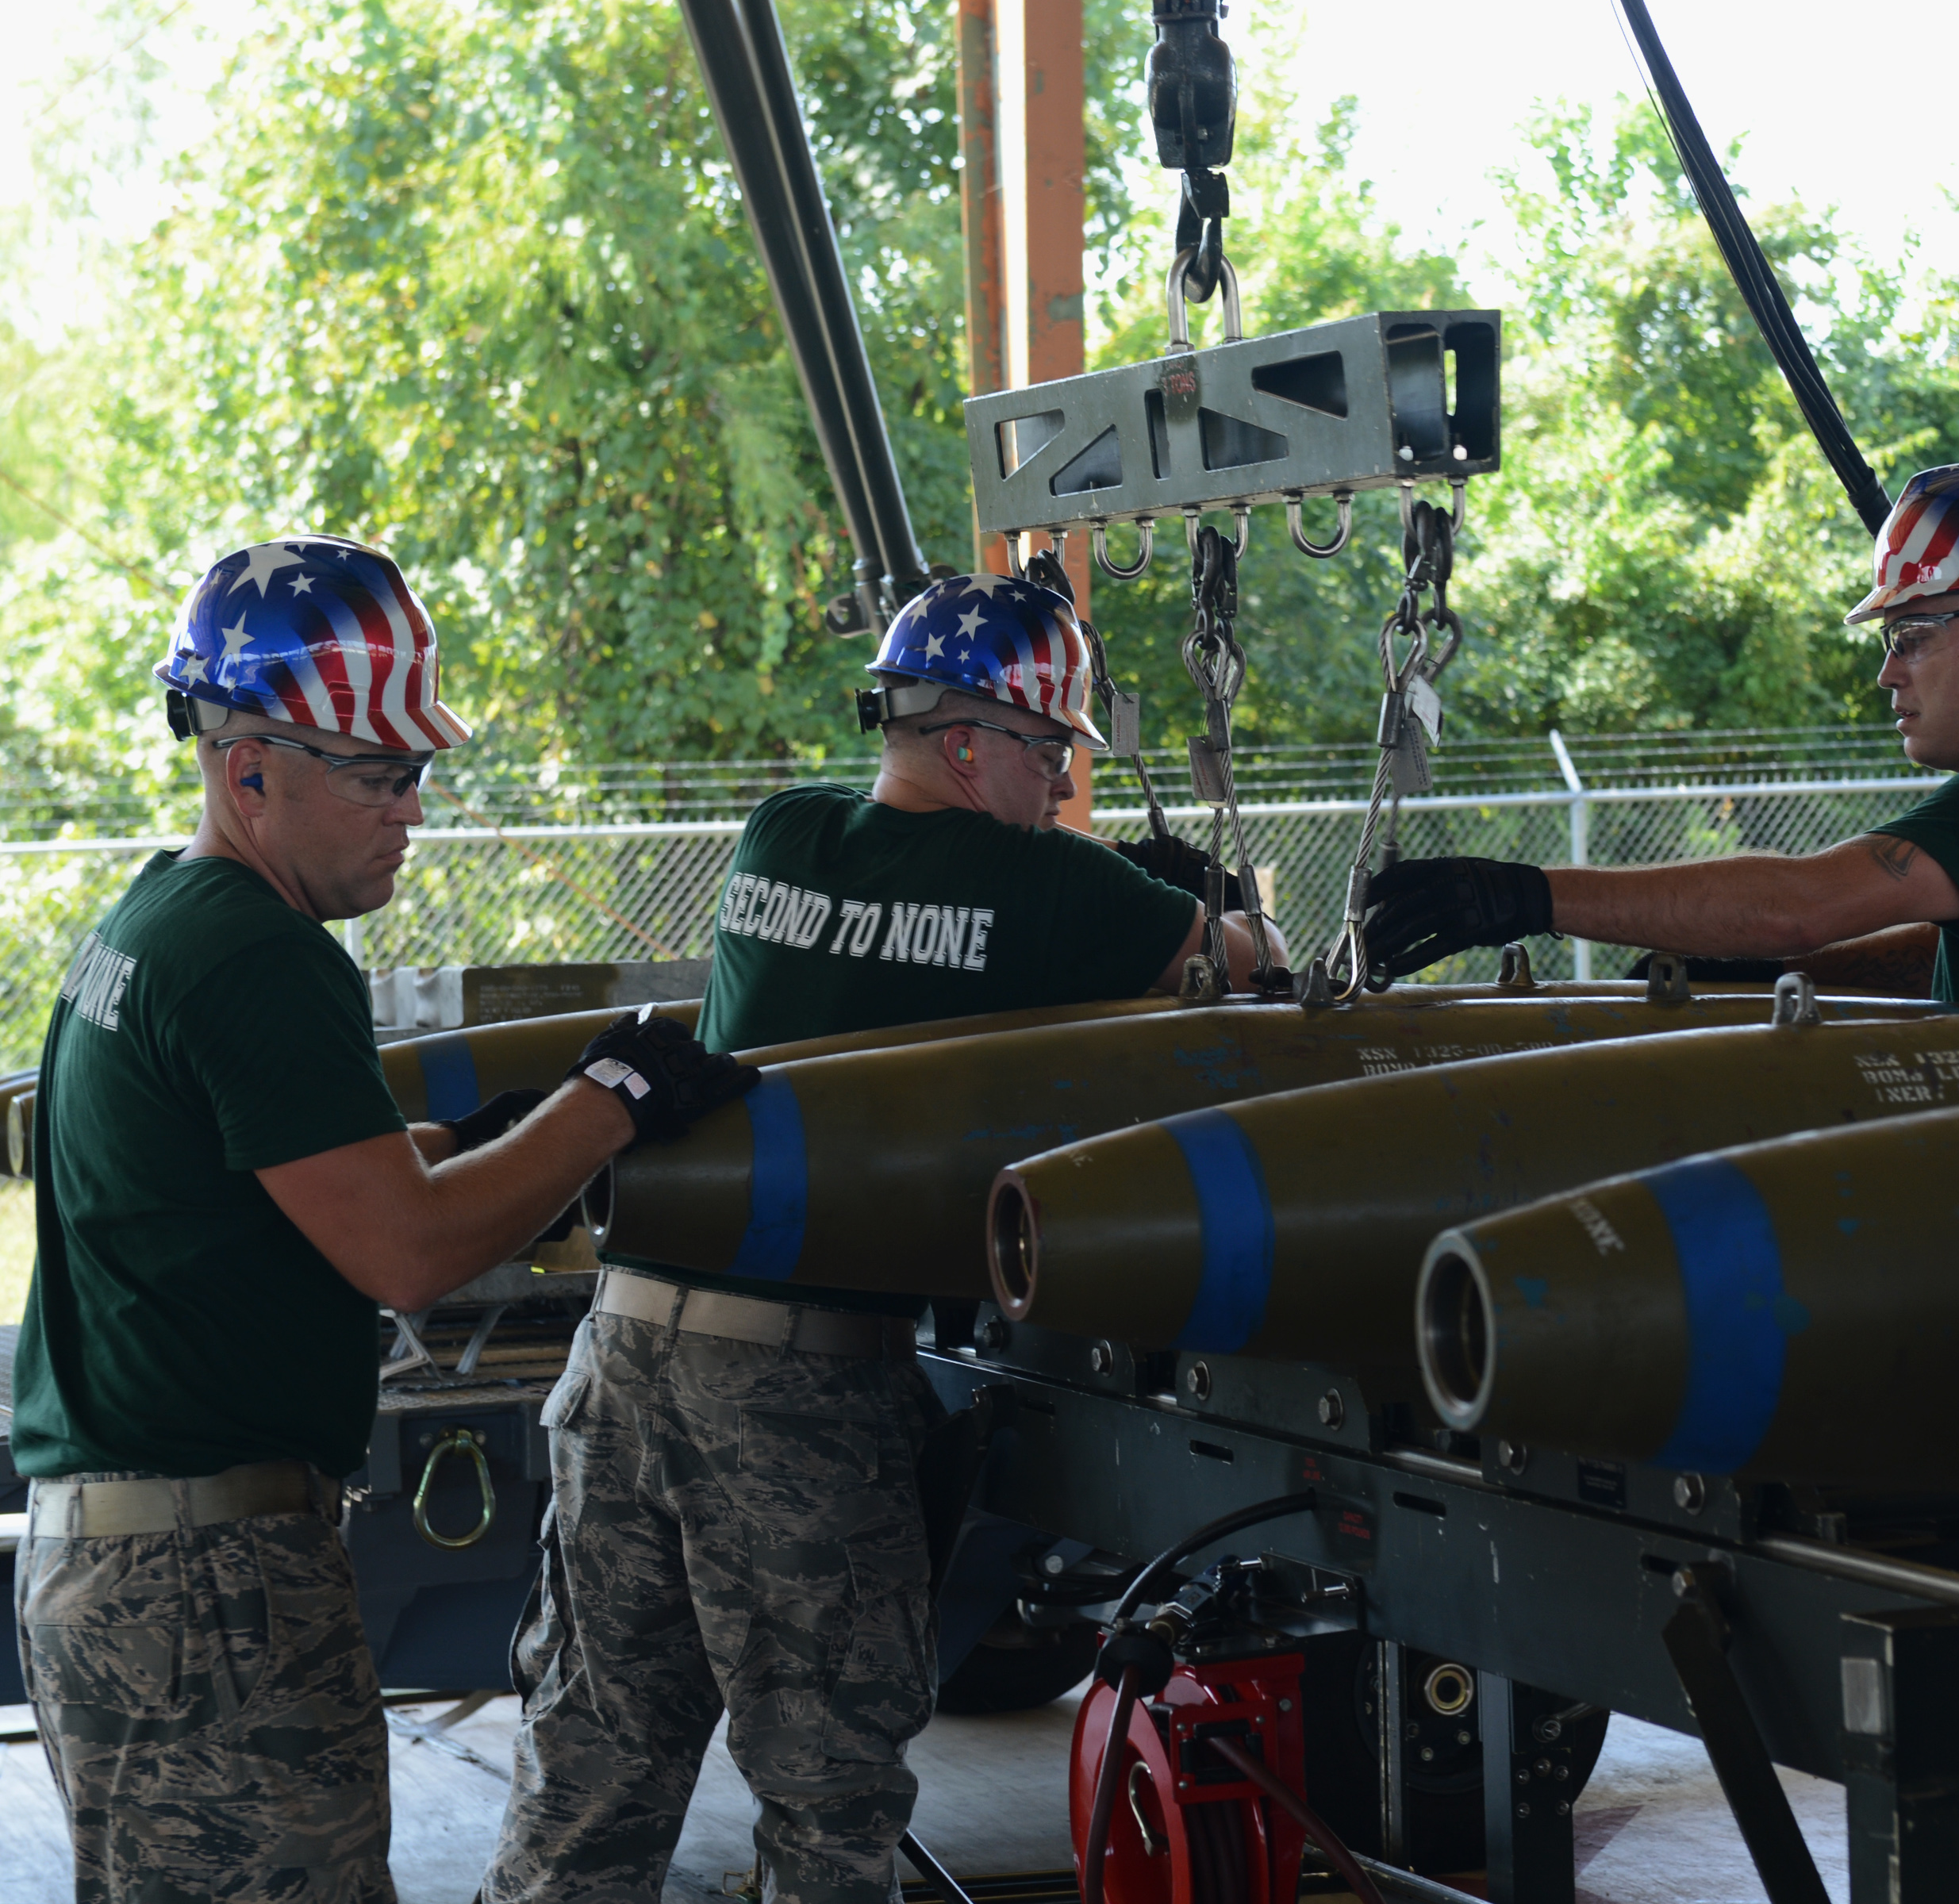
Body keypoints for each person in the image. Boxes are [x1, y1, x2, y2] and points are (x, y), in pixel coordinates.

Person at [483, 568, 1282, 1904]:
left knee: (592, 1775)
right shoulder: (1055, 891)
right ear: (966, 743)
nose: (1063, 784)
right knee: (830, 1810)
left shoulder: (780, 834)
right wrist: (1208, 896)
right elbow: (1253, 963)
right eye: (1045, 750)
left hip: (619, 1358)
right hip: (792, 1393)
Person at [10, 536, 754, 1904]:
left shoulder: (152, 926)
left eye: (419, 774)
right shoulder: (259, 957)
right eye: (381, 775)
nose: (412, 808)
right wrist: (609, 1099)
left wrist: (479, 1144)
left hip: (124, 1566)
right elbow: (404, 1253)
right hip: (209, 1587)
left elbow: (271, 1181)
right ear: (250, 771)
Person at [1362, 463, 1959, 1008]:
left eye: (1909, 639)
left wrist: (1528, 898)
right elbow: (1955, 951)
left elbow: (1796, 909)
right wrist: (1746, 970)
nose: (1888, 674)